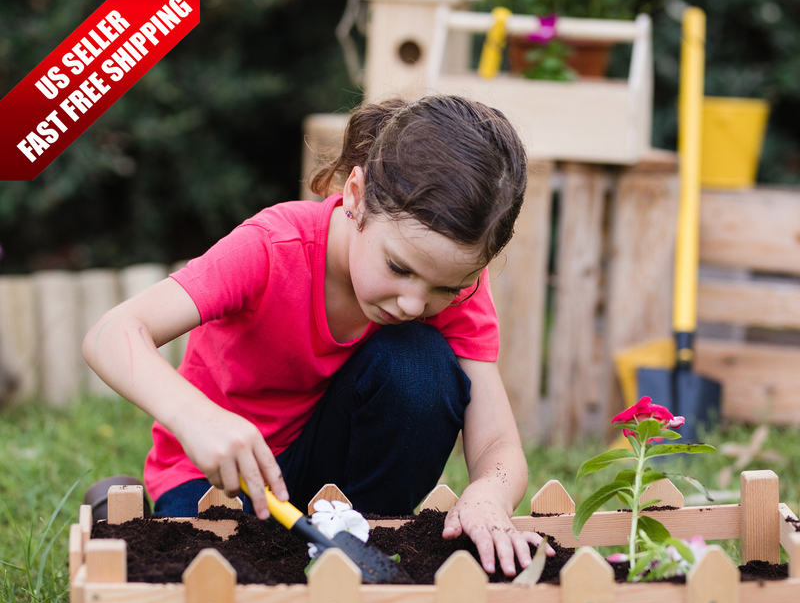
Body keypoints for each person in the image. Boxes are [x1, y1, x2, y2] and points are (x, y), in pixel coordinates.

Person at [82, 94, 553, 577]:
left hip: (341, 482)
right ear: (355, 195)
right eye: (398, 267)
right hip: (224, 476)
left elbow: (497, 440)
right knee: (226, 577)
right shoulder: (272, 248)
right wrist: (196, 418)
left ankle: (365, 539)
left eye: (445, 287)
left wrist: (488, 495)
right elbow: (110, 333)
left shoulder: (455, 286)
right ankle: (125, 511)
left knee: (420, 364)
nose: (415, 303)